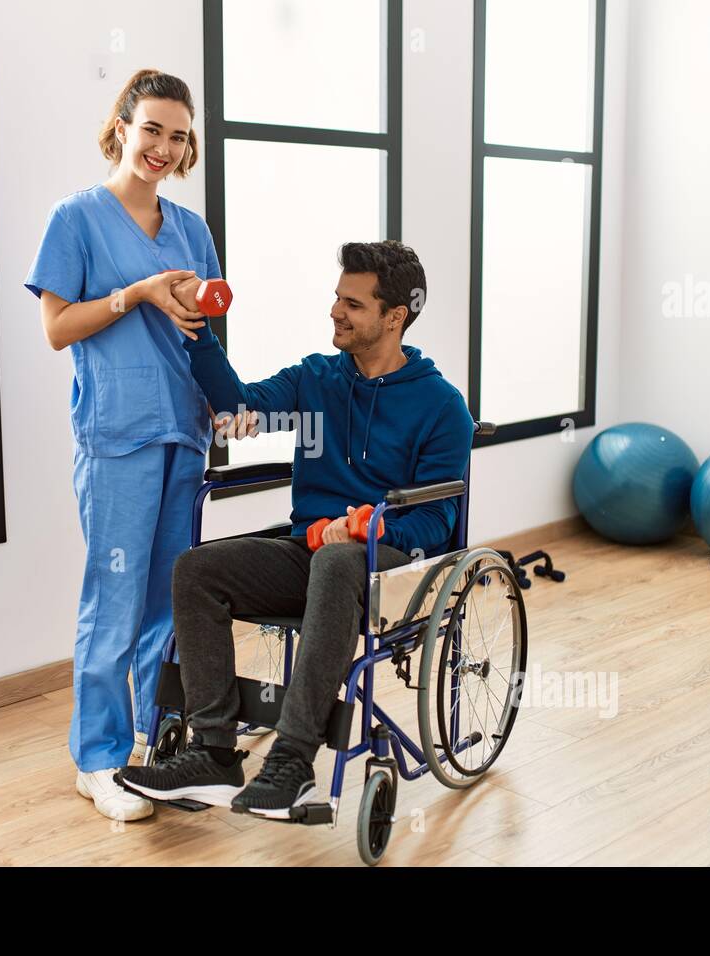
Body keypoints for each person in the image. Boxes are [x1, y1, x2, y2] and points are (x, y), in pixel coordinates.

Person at [119, 240, 474, 818]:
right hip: (309, 551)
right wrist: (200, 327)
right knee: (196, 568)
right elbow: (239, 408)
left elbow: (436, 520)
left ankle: (292, 761)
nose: (336, 311)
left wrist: (364, 530)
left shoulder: (441, 406)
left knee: (337, 562)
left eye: (353, 305)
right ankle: (212, 750)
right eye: (337, 298)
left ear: (394, 317)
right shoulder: (317, 380)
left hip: (392, 567)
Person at [24, 69, 241, 822]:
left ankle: (159, 747)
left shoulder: (192, 229)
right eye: (152, 129)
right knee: (112, 603)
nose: (163, 147)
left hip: (183, 432)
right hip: (117, 434)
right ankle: (100, 759)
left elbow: (204, 336)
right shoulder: (76, 218)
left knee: (168, 602)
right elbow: (56, 330)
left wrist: (230, 404)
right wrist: (136, 294)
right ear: (122, 127)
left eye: (179, 136)